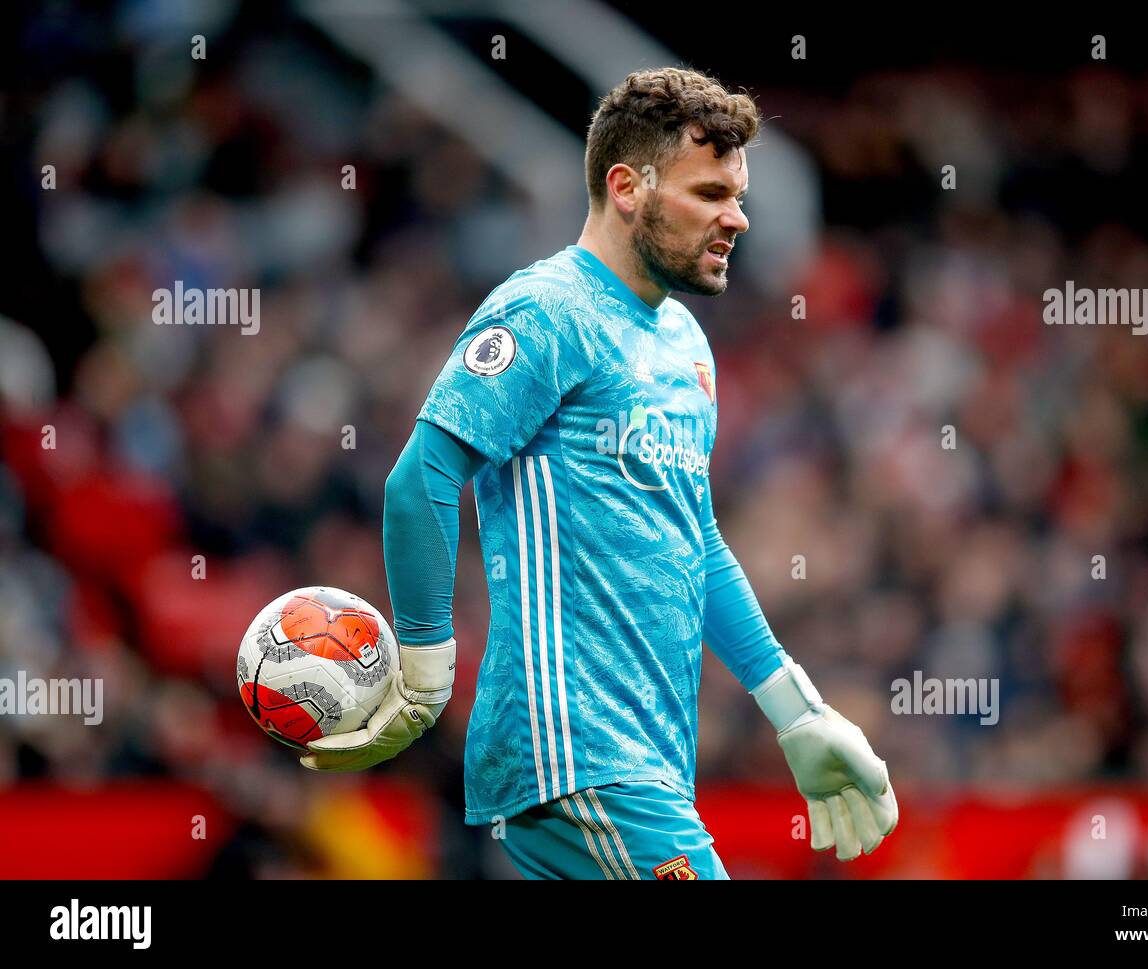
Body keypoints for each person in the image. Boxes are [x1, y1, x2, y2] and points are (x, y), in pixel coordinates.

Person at [300, 67, 898, 880]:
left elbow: (697, 545)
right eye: (711, 192)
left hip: (649, 760)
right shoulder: (548, 310)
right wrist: (425, 678)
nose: (738, 217)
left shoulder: (686, 341)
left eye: (739, 194)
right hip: (575, 756)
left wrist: (796, 711)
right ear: (627, 187)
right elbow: (424, 477)